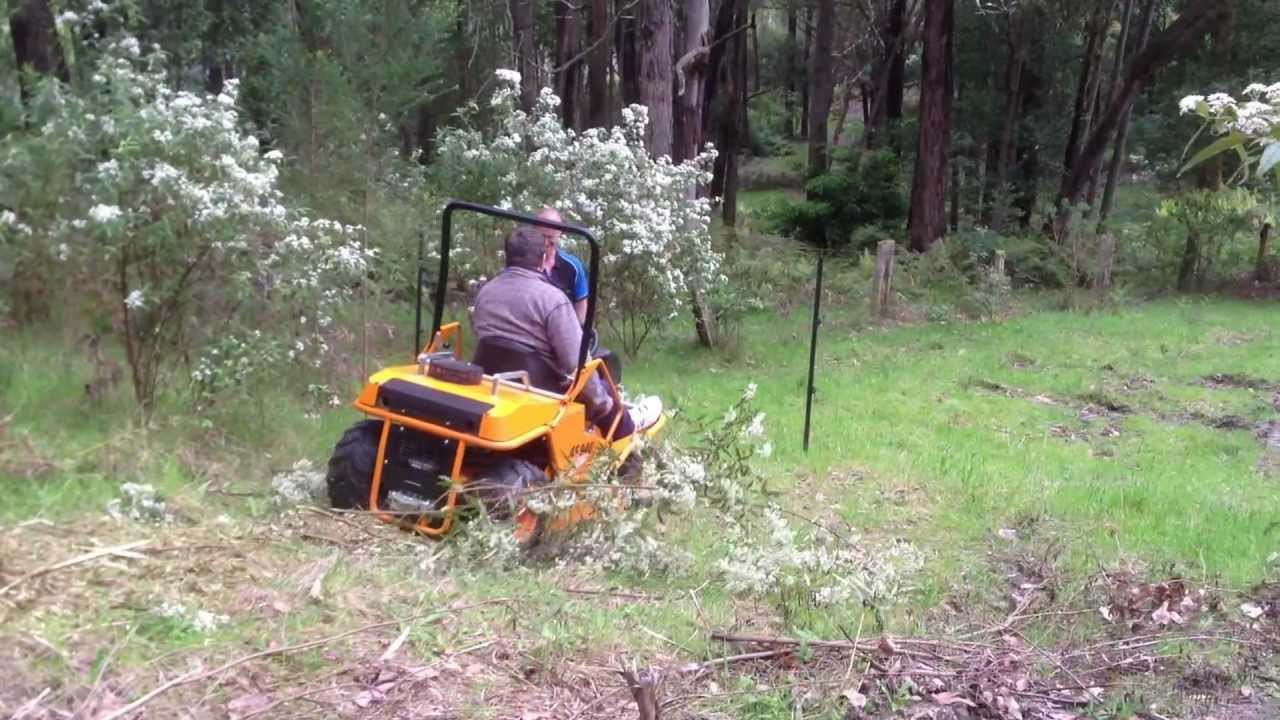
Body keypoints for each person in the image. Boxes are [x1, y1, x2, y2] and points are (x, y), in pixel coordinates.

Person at [471, 225, 662, 437]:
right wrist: (603, 405)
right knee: (598, 381)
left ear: (507, 257)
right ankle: (626, 425)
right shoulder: (553, 300)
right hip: (543, 394)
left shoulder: (485, 293)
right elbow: (576, 364)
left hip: (493, 384)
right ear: (543, 259)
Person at [536, 207, 589, 323]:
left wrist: (579, 334)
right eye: (542, 237)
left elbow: (581, 303)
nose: (545, 243)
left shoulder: (573, 266)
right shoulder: (525, 262)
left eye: (550, 237)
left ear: (559, 233)